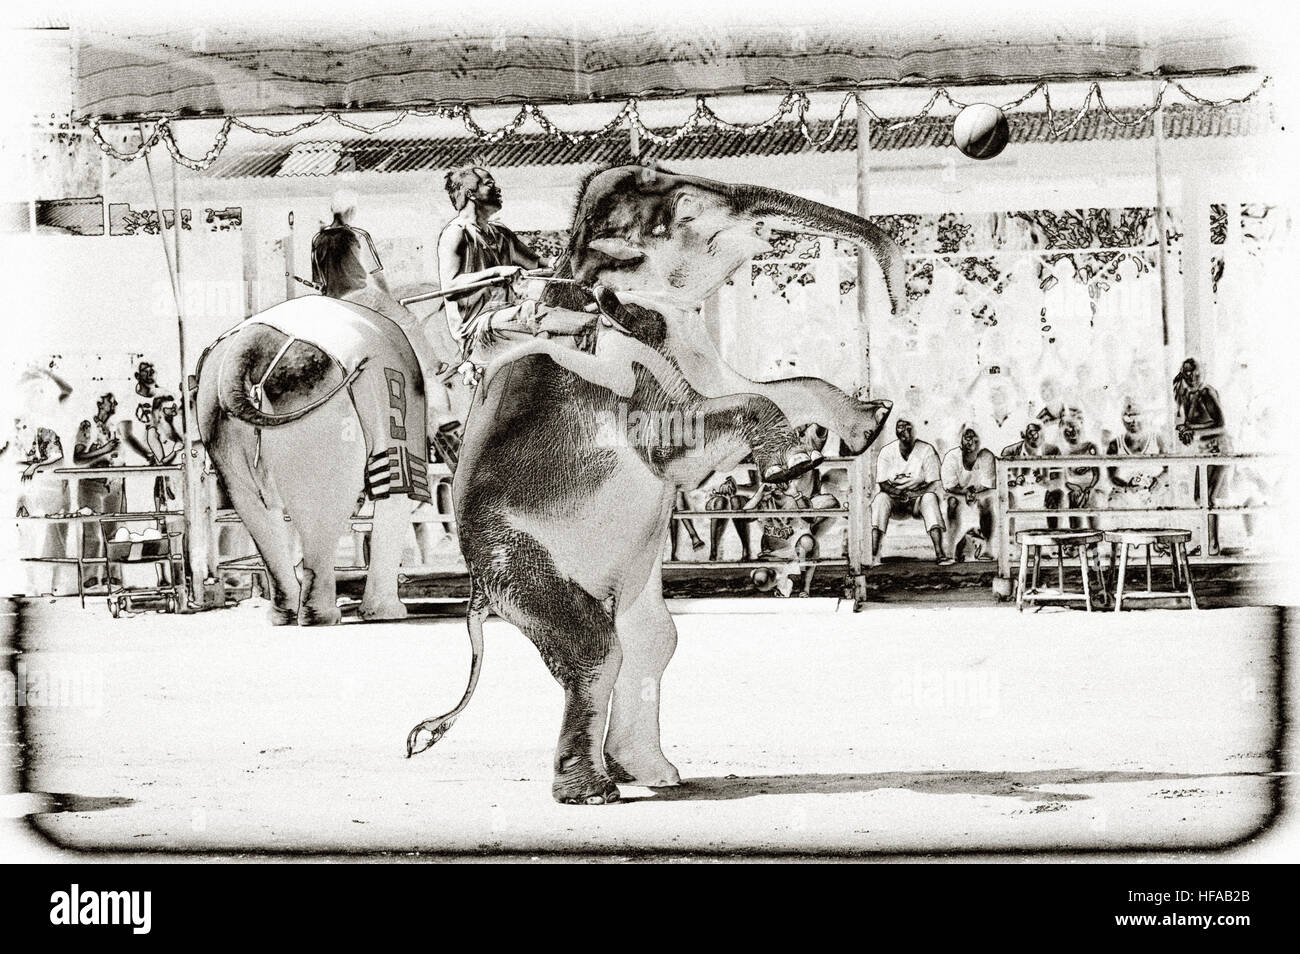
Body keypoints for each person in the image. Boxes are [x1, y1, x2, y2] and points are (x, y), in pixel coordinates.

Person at [437, 166, 594, 370]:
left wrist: (563, 262)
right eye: (489, 184)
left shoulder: (500, 232)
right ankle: (594, 328)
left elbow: (538, 264)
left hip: (508, 318)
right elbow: (450, 289)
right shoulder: (456, 233)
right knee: (531, 311)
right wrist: (497, 272)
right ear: (470, 193)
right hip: (478, 330)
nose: (498, 189)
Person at [871, 418, 952, 565]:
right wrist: (897, 492)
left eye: (909, 426)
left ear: (916, 429)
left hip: (917, 500)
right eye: (900, 426)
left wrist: (914, 495)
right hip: (895, 499)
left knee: (930, 498)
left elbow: (934, 483)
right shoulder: (887, 451)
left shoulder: (926, 450)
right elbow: (882, 483)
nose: (904, 431)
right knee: (880, 499)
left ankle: (940, 554)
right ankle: (873, 554)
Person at [1173, 357, 1229, 554]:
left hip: (1218, 450)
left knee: (1209, 498)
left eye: (1196, 373)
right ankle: (1207, 540)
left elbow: (1221, 425)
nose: (1193, 377)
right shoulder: (1187, 394)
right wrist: (1186, 431)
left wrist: (1191, 430)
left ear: (1203, 372)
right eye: (1188, 373)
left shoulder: (1206, 392)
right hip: (1203, 451)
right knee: (1199, 497)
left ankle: (1212, 545)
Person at [74, 392, 125, 588]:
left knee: (113, 533)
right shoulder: (88, 426)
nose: (114, 403)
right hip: (91, 484)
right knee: (92, 534)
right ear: (99, 403)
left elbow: (118, 454)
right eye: (109, 399)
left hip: (112, 483)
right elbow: (79, 458)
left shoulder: (112, 428)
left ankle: (112, 576)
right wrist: (104, 451)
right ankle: (90, 577)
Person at [1105, 396, 1169, 526]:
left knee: (1167, 499)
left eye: (1136, 416)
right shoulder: (1115, 444)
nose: (1132, 421)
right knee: (1115, 501)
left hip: (1154, 491)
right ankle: (1118, 544)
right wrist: (1127, 487)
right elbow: (1111, 477)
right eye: (1127, 417)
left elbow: (1170, 468)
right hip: (1128, 493)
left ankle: (1163, 544)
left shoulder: (1157, 439)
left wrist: (1159, 481)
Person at [941, 422, 998, 561]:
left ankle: (988, 548)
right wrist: (965, 493)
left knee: (987, 502)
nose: (970, 441)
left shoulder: (986, 456)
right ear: (960, 439)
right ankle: (950, 548)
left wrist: (975, 495)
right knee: (952, 502)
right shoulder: (952, 457)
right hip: (959, 495)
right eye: (967, 437)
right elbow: (949, 486)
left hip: (979, 494)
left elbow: (989, 486)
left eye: (974, 437)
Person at [1056, 412, 1101, 531]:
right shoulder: (1063, 452)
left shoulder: (1091, 447)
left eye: (1075, 429)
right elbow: (1063, 480)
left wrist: (1089, 488)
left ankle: (1094, 544)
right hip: (1074, 489)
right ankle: (1076, 540)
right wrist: (1075, 488)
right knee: (1073, 499)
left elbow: (1097, 474)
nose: (1073, 433)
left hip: (1091, 487)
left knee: (1092, 498)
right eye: (1068, 431)